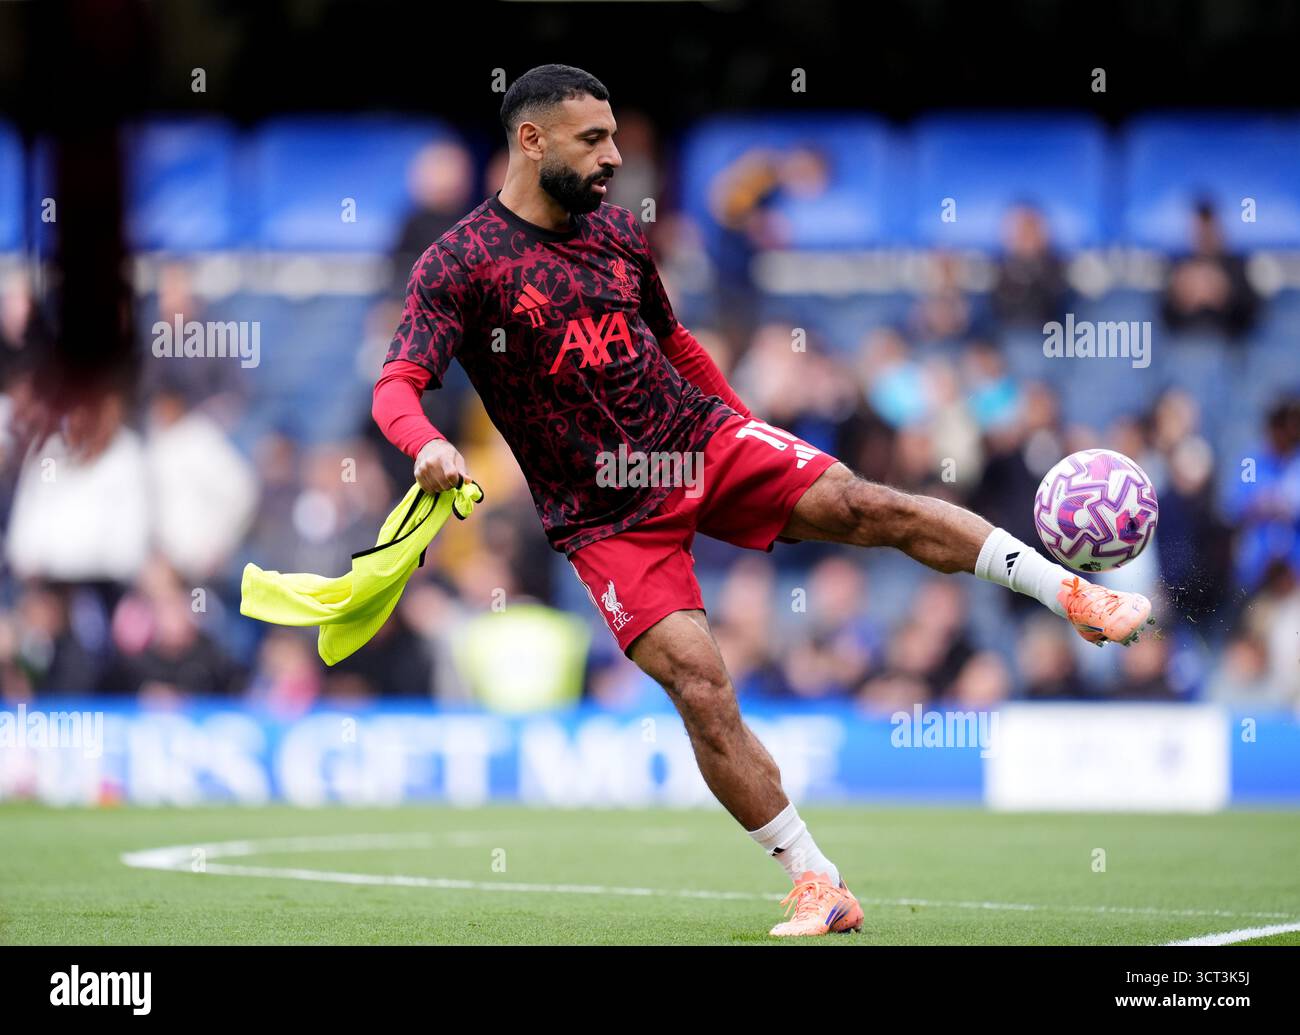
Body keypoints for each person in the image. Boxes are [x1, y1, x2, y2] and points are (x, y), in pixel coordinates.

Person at [370, 64, 1155, 938]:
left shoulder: (621, 236)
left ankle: (1072, 591)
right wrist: (428, 443)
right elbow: (397, 383)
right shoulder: (460, 262)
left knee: (867, 505)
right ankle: (818, 881)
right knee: (702, 689)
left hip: (695, 442)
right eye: (594, 140)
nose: (615, 157)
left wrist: (745, 433)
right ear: (532, 139)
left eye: (616, 138)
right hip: (599, 518)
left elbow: (676, 344)